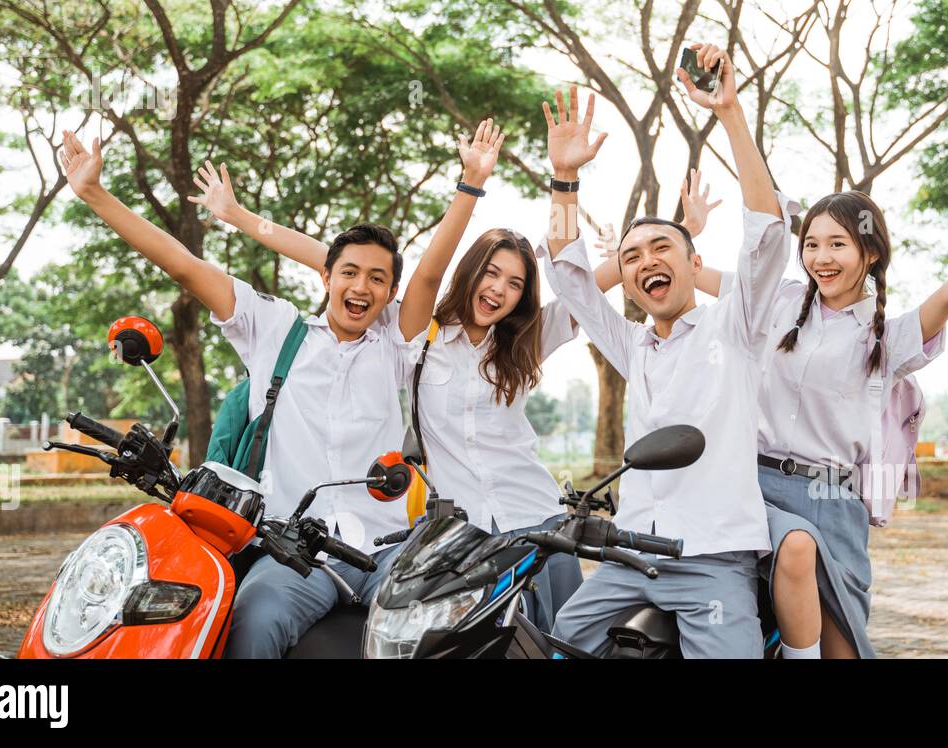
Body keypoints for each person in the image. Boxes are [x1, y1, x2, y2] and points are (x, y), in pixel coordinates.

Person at [190, 120, 724, 630]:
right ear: (469, 272)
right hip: (459, 536)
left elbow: (585, 278)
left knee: (560, 639)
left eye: (515, 283)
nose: (498, 290)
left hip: (535, 518)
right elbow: (328, 259)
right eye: (491, 273)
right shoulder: (415, 333)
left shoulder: (525, 340)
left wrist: (575, 186)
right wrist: (237, 216)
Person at [58, 129, 414, 658]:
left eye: (377, 280)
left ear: (389, 294)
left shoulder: (400, 345)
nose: (360, 288)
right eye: (349, 273)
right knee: (253, 619)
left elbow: (418, 276)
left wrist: (243, 218)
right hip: (295, 550)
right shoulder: (275, 329)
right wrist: (94, 193)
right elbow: (183, 264)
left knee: (444, 621)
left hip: (388, 548)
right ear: (325, 278)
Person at [709, 169, 948, 658]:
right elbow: (688, 274)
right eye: (811, 244)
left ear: (870, 254)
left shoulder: (888, 336)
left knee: (841, 650)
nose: (821, 258)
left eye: (838, 245)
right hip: (751, 490)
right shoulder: (778, 301)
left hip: (828, 501)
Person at [536, 44, 799, 658]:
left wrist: (730, 113)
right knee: (553, 647)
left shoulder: (736, 327)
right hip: (630, 557)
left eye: (661, 248)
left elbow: (767, 236)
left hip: (711, 559)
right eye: (630, 256)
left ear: (694, 263)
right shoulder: (633, 345)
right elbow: (570, 277)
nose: (644, 261)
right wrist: (564, 180)